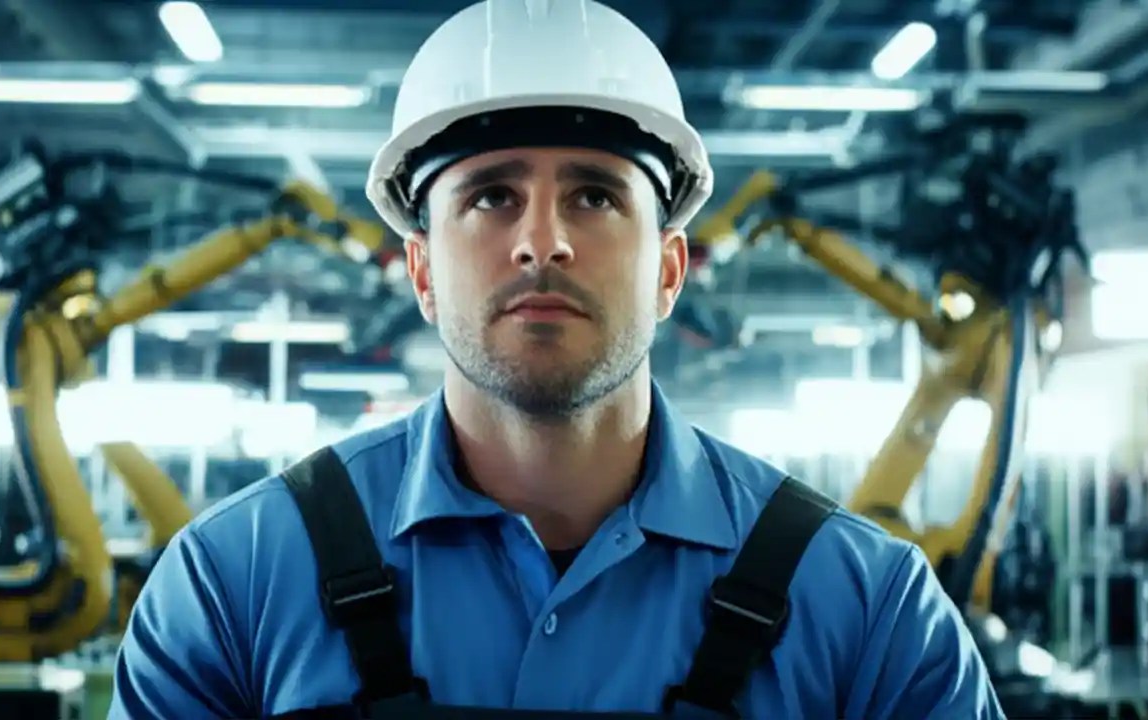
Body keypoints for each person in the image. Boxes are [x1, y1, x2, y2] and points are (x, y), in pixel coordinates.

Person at [109, 1, 1004, 718]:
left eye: (595, 195)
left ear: (667, 267)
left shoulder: (868, 612)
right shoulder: (235, 585)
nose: (543, 241)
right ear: (422, 268)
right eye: (493, 194)